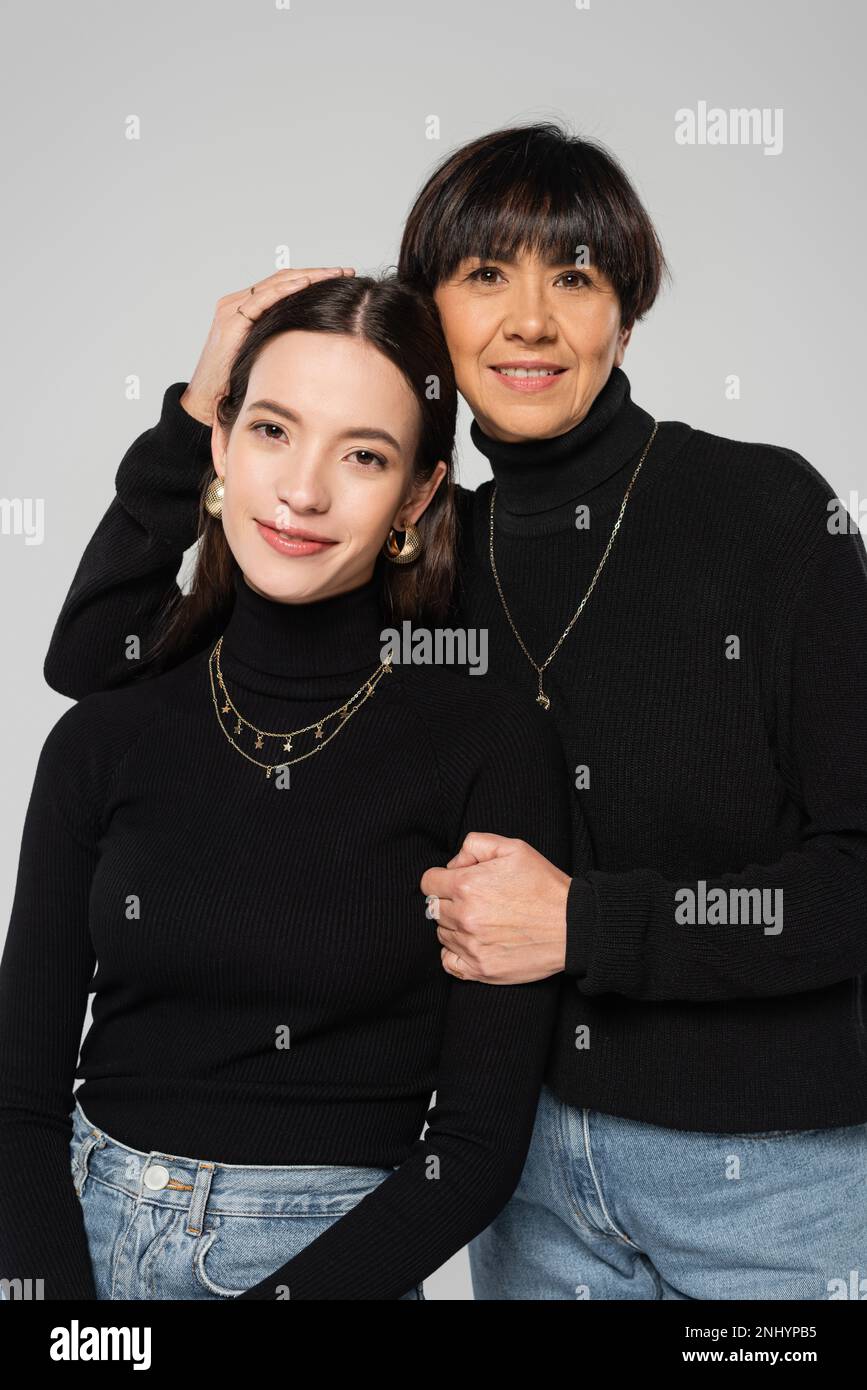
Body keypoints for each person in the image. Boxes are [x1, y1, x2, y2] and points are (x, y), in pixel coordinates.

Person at [38, 121, 867, 1299]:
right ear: (434, 317)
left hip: (766, 1181)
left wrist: (592, 924)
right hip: (524, 1182)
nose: (529, 319)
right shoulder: (417, 548)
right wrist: (202, 400)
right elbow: (99, 659)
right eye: (486, 276)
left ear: (624, 319)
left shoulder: (764, 514)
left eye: (574, 278)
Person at [0, 273, 579, 1301]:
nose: (304, 491)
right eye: (271, 429)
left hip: (322, 1254)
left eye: (363, 454)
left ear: (416, 496)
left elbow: (478, 1146)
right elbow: (19, 1092)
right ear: (218, 448)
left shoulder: (484, 735)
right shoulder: (108, 733)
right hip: (81, 1232)